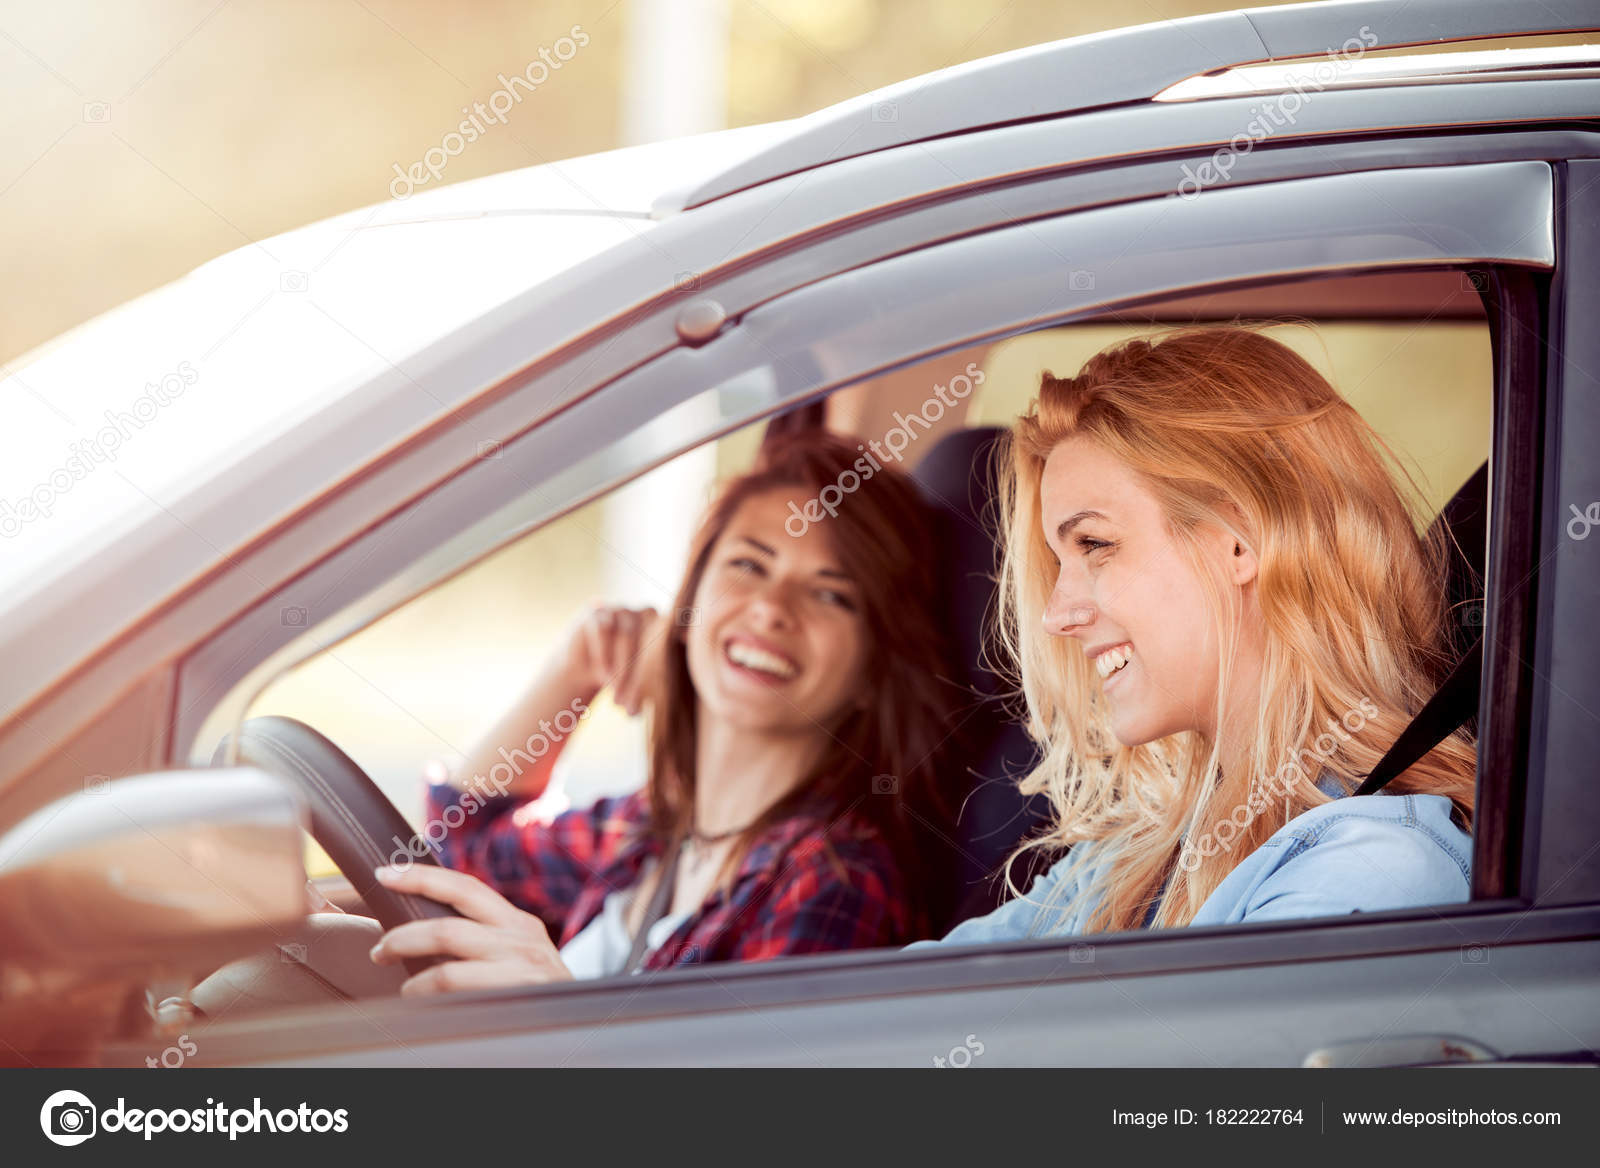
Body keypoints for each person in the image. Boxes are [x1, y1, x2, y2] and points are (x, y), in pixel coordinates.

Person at [921, 327, 1475, 948]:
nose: (1057, 614)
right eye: (1059, 563)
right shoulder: (1133, 860)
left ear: (1240, 540)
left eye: (1096, 545)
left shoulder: (1372, 874)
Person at [369, 431, 959, 993]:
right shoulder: (659, 822)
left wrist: (563, 1014)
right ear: (689, 600)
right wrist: (575, 669)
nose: (770, 610)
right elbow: (466, 847)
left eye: (831, 594)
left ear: (873, 668)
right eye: (749, 565)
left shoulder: (835, 879)